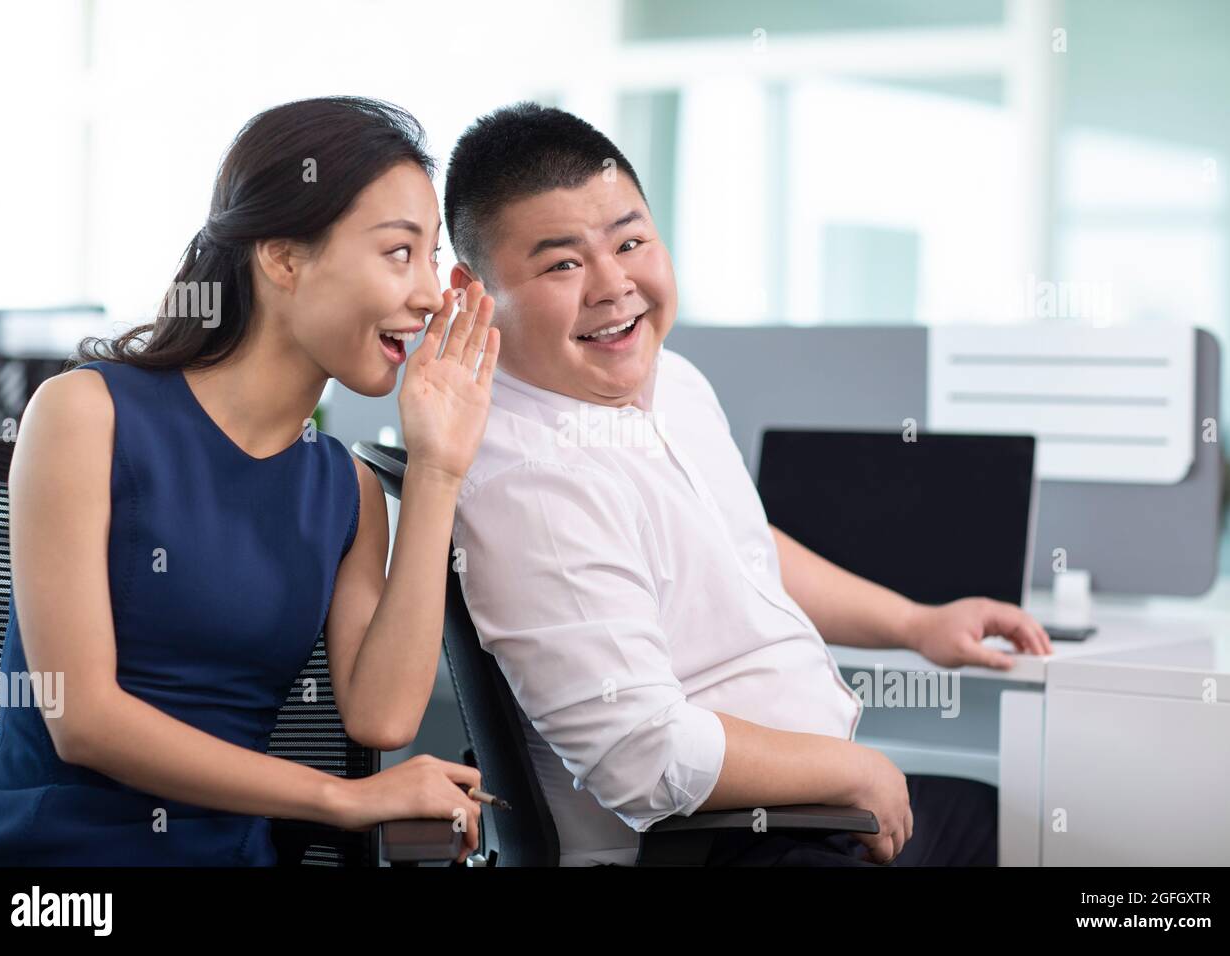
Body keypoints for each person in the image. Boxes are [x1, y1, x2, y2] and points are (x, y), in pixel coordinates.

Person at [441, 102, 1054, 866]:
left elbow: (742, 550)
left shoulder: (674, 382)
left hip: (802, 806)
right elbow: (643, 755)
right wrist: (853, 768)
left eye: (631, 242)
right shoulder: (531, 481)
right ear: (473, 292)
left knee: (1013, 823)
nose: (613, 284)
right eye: (562, 264)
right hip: (707, 840)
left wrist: (917, 624)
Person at [0, 96, 500, 865]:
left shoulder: (345, 490)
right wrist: (340, 800)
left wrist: (439, 471)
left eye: (430, 257)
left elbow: (382, 718)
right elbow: (79, 716)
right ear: (282, 257)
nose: (427, 294)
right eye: (397, 253)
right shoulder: (86, 413)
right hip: (47, 866)